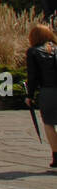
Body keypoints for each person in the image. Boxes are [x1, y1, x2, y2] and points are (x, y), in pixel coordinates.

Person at [25, 23, 57, 168]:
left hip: (48, 90)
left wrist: (29, 95)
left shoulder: (33, 52)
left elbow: (33, 76)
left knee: (49, 123)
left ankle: (56, 155)